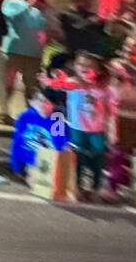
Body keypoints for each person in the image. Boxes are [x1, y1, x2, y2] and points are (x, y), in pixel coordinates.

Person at [43, 52, 119, 201]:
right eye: (80, 64)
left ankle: (96, 187)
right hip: (77, 129)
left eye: (89, 65)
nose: (84, 68)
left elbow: (111, 111)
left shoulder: (105, 88)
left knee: (98, 160)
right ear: (75, 66)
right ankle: (76, 187)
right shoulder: (74, 83)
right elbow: (60, 84)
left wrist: (112, 130)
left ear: (98, 69)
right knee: (78, 158)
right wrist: (49, 81)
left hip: (98, 130)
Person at [0, 0, 51, 122]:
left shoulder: (38, 11)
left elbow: (42, 30)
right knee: (8, 82)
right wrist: (27, 5)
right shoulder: (11, 2)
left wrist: (43, 45)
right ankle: (3, 112)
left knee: (31, 85)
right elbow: (9, 16)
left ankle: (31, 113)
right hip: (14, 50)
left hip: (33, 53)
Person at [9, 90, 68, 177]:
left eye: (46, 102)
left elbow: (59, 148)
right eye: (41, 101)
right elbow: (18, 142)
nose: (42, 105)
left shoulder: (57, 122)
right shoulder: (28, 116)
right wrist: (17, 166)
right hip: (27, 163)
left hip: (45, 166)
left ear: (55, 106)